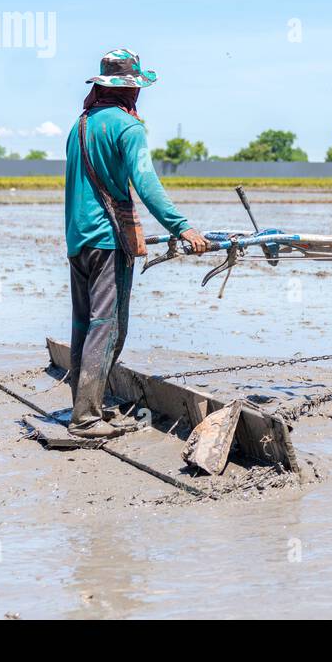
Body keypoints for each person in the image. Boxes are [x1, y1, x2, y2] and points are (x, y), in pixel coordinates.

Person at [64, 49, 210, 438]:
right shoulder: (128, 129)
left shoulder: (80, 126)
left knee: (84, 324)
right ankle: (86, 418)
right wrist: (182, 227)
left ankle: (84, 406)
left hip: (77, 240)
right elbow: (146, 183)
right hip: (108, 241)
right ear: (129, 90)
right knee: (108, 327)